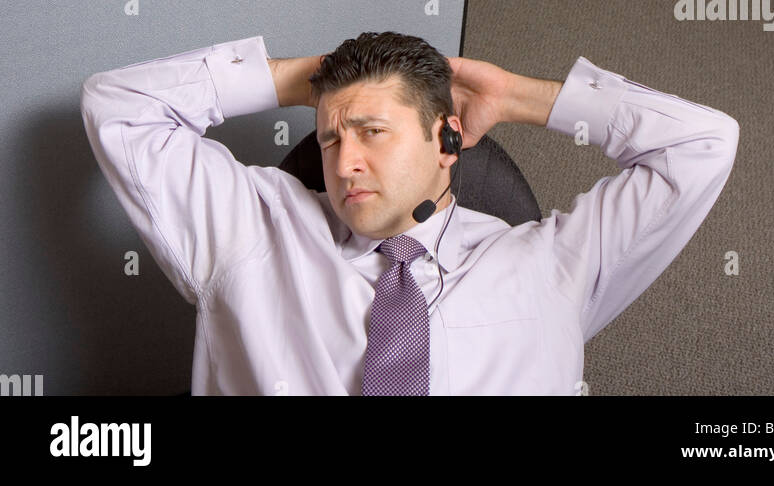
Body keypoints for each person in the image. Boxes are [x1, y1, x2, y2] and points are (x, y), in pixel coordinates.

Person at [80, 31, 738, 395]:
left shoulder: (553, 266)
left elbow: (702, 146)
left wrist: (522, 97)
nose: (343, 163)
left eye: (372, 132)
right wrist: (294, 78)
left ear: (448, 140)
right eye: (332, 137)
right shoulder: (251, 229)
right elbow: (118, 106)